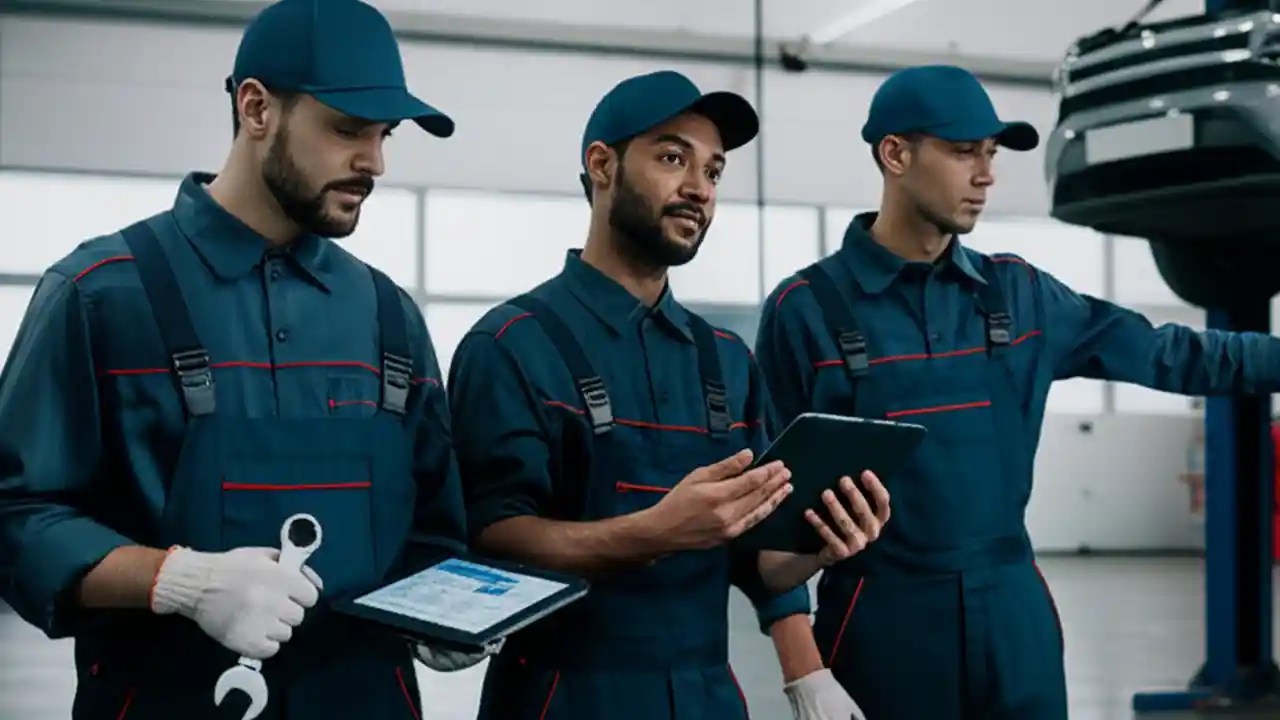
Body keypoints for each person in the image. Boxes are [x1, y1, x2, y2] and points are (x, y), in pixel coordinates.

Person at [0, 1, 494, 718]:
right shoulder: (99, 295)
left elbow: (431, 531)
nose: (375, 162)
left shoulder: (390, 318)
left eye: (385, 136)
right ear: (256, 107)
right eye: (349, 129)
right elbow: (16, 514)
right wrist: (178, 581)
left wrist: (447, 612)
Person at [755, 63, 1280, 720]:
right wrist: (800, 664)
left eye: (992, 153)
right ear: (895, 154)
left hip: (1014, 611)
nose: (986, 174)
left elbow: (1173, 354)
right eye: (962, 151)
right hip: (878, 618)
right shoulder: (806, 310)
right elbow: (761, 511)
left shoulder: (1019, 295)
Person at [446, 70, 889, 720]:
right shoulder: (511, 344)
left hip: (708, 693)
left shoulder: (727, 362)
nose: (698, 189)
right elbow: (491, 538)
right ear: (602, 165)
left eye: (713, 171)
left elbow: (755, 564)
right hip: (562, 695)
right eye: (672, 157)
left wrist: (816, 546)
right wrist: (652, 532)